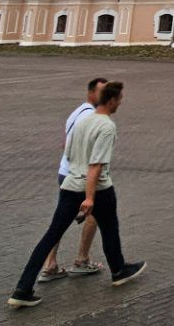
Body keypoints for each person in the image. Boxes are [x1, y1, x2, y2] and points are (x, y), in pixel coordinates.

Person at [9, 80, 144, 308]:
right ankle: (119, 271)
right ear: (111, 100)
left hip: (70, 184)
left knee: (51, 235)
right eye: (119, 99)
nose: (120, 103)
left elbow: (68, 152)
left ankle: (22, 288)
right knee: (110, 229)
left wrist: (75, 183)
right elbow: (96, 165)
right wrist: (89, 197)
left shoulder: (82, 121)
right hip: (97, 188)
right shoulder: (106, 126)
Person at [38, 77, 109, 283]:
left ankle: (50, 265)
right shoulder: (90, 117)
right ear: (91, 94)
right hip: (80, 175)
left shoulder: (77, 112)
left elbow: (66, 144)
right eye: (102, 92)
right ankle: (81, 260)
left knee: (61, 220)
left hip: (65, 171)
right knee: (95, 214)